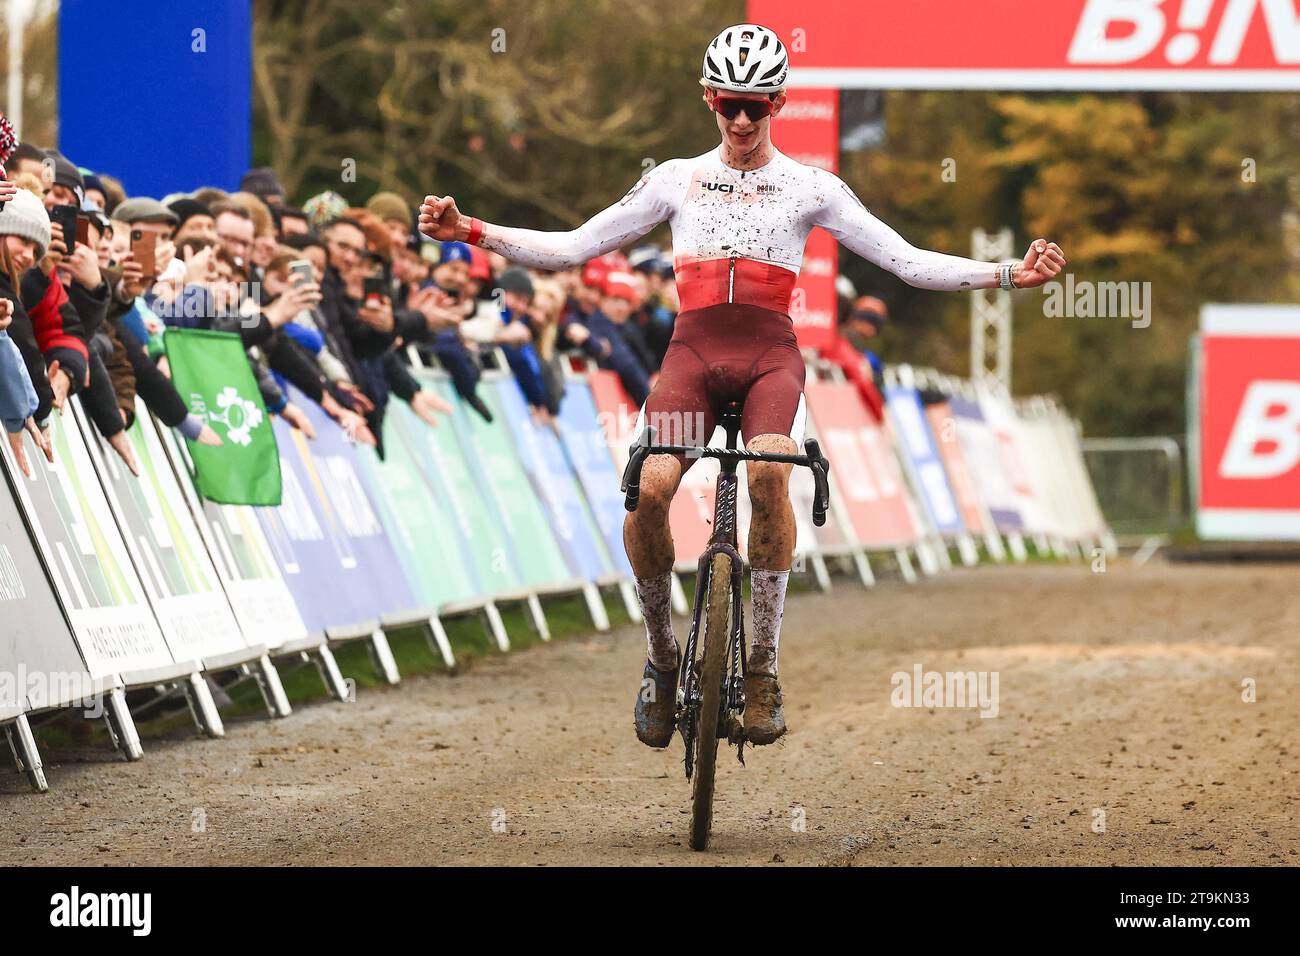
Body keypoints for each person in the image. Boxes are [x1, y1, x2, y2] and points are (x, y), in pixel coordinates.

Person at [423, 23, 1066, 749]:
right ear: (707, 97)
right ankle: (663, 660)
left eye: (756, 106)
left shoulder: (810, 188)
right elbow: (572, 248)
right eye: (728, 102)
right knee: (651, 490)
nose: (740, 120)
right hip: (691, 356)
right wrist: (471, 231)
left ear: (780, 104)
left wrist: (1010, 273)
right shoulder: (675, 179)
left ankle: (762, 669)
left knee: (768, 473)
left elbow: (908, 263)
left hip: (768, 357)